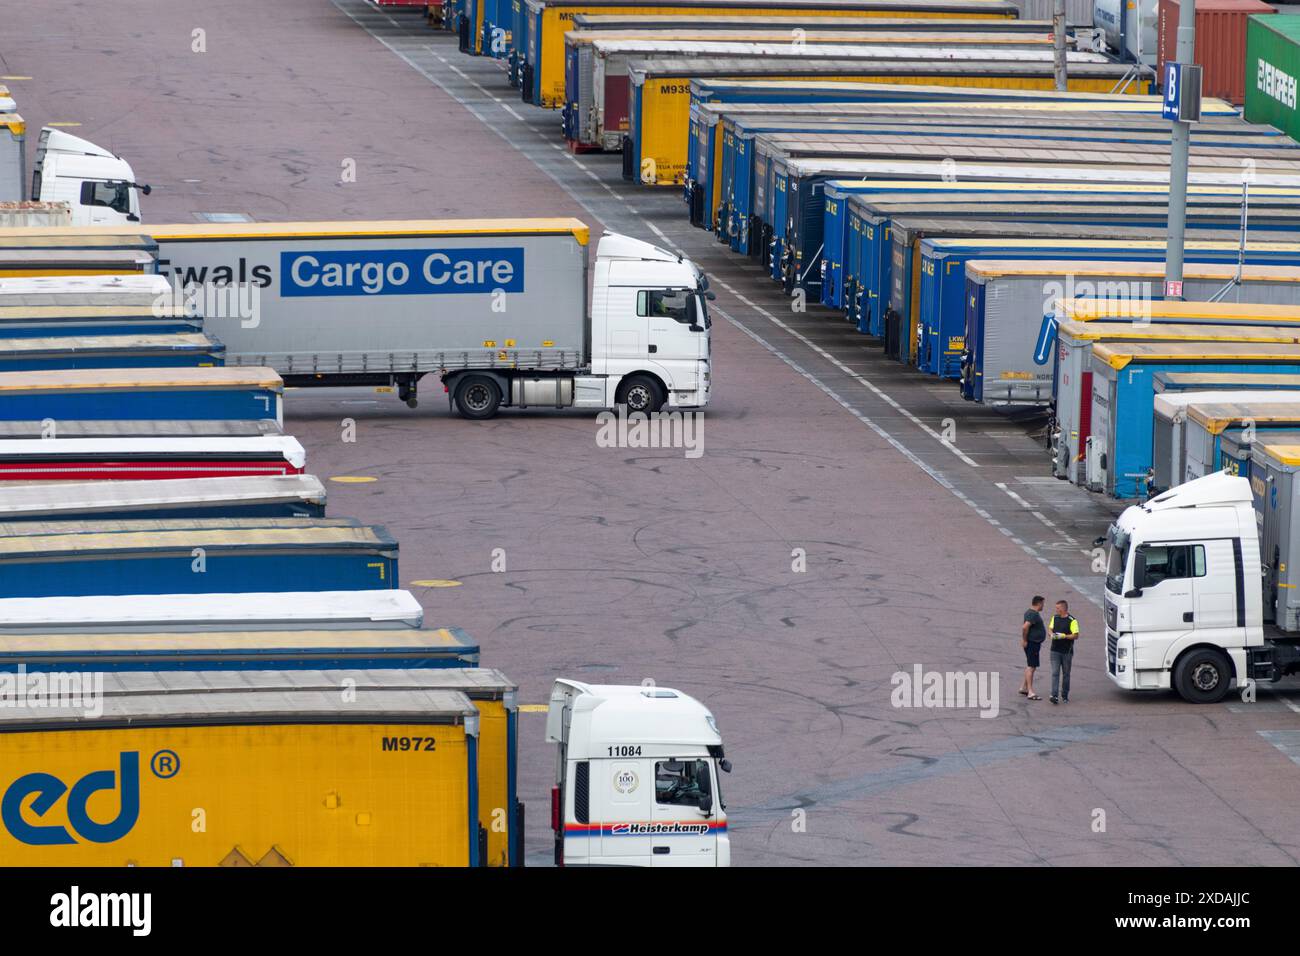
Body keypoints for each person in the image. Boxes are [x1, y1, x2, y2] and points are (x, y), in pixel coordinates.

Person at [1048, 599, 1080, 704]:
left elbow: (1076, 635)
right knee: (1055, 673)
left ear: (1063, 608)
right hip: (1055, 650)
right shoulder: (1055, 617)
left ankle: (1065, 695)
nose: (1056, 610)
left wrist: (1064, 636)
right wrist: (1051, 634)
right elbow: (1050, 628)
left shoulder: (1072, 620)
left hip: (1067, 651)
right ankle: (1054, 695)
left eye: (1057, 608)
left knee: (1066, 674)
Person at [1020, 596, 1046, 701]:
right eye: (1043, 604)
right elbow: (1025, 627)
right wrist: (1025, 640)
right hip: (1032, 643)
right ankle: (1030, 692)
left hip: (1032, 643)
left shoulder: (1029, 612)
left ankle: (1023, 687)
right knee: (1031, 666)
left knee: (1031, 665)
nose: (1043, 606)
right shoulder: (1033, 614)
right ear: (1039, 603)